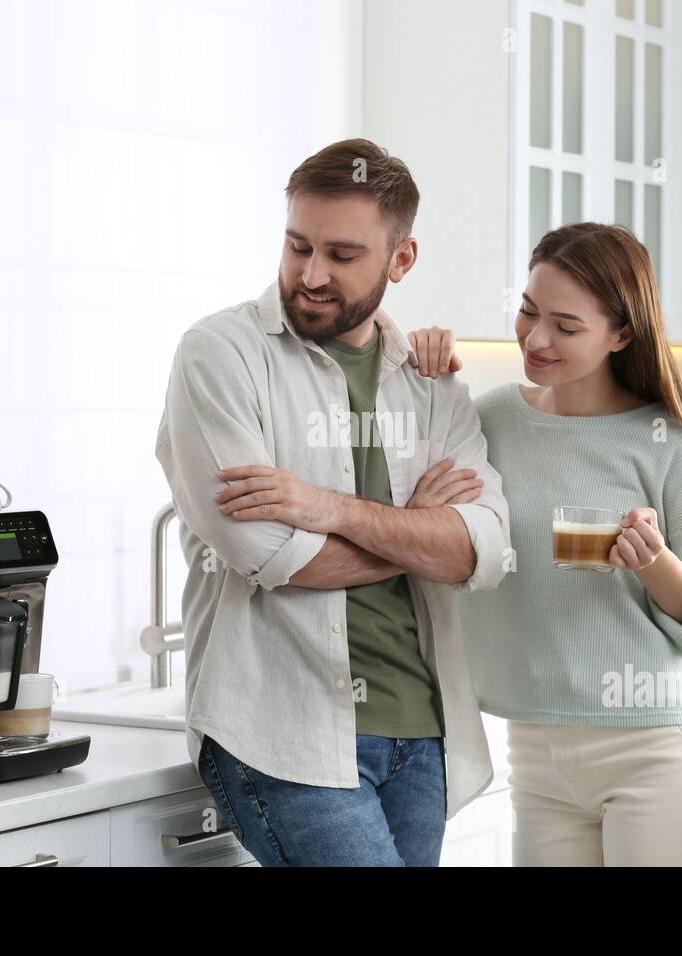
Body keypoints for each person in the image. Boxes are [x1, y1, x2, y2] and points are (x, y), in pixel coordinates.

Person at [155, 138, 511, 867]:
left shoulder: (430, 381)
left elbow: (484, 551)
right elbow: (271, 554)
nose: (310, 275)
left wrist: (330, 508)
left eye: (342, 256)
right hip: (280, 734)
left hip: (421, 734)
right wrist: (417, 534)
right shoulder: (220, 356)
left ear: (401, 260)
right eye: (297, 246)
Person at [407, 222, 682, 866]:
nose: (536, 338)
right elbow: (413, 514)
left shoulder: (666, 447)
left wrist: (656, 565)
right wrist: (423, 375)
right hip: (534, 753)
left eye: (565, 326)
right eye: (529, 312)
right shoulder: (492, 420)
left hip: (651, 752)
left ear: (621, 334)